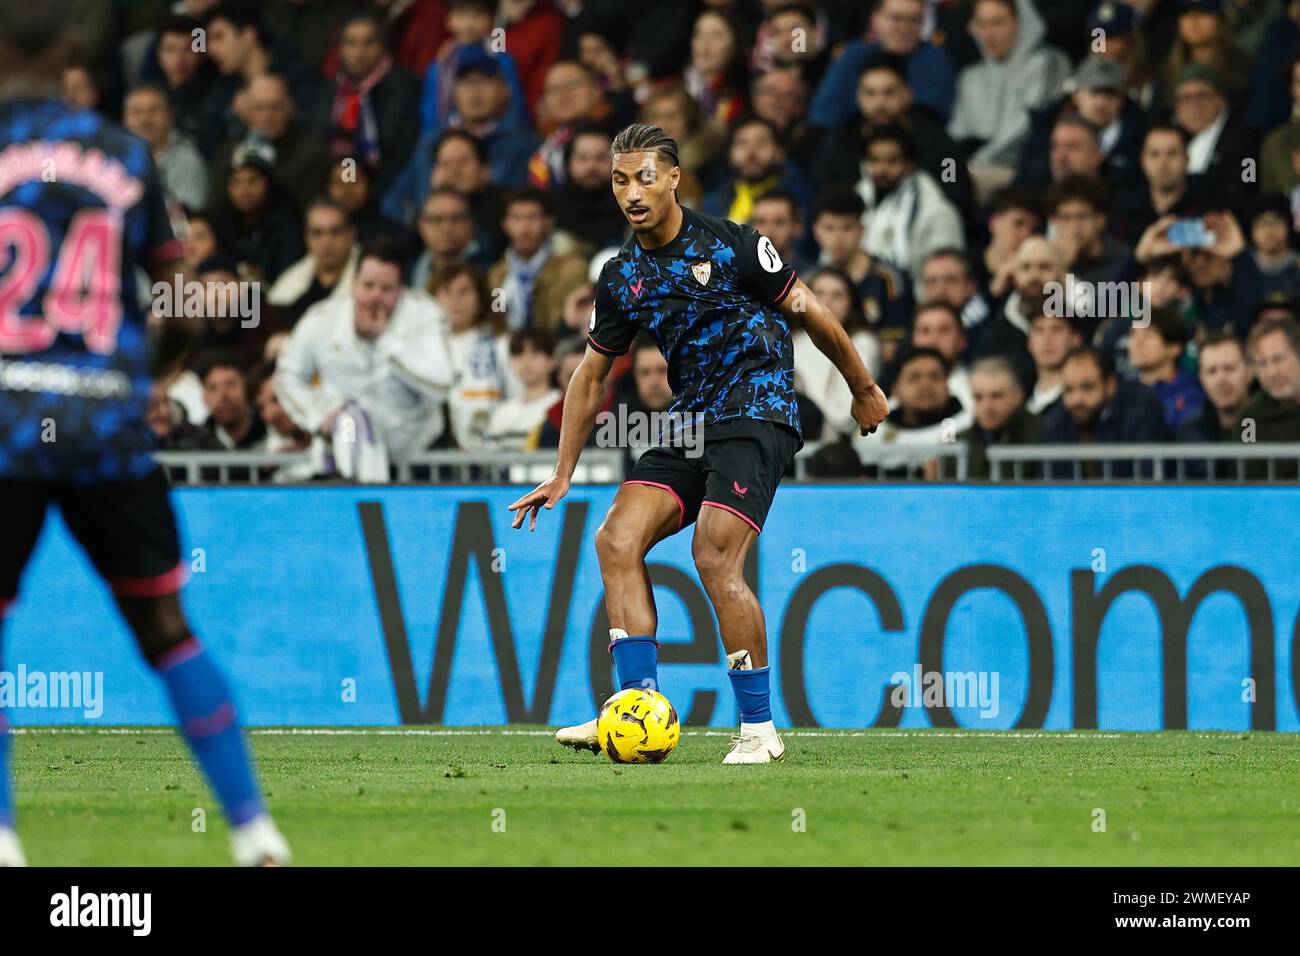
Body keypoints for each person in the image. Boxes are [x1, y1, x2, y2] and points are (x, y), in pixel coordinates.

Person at [0, 2, 288, 867]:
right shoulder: (126, 157)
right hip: (105, 426)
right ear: (77, 55)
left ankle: (6, 842)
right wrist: (142, 379)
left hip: (6, 423)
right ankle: (253, 832)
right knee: (167, 627)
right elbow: (181, 306)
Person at [507, 124, 888, 764]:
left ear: (675, 178)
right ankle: (635, 712)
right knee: (616, 538)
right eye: (620, 179)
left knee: (714, 555)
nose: (632, 192)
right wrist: (562, 471)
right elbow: (592, 374)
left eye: (645, 177)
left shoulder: (736, 244)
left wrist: (863, 387)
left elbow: (811, 310)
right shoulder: (623, 276)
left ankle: (760, 731)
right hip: (690, 422)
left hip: (758, 413)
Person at [274, 239, 454, 480]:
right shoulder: (321, 319)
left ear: (402, 289)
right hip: (347, 452)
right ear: (353, 283)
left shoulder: (425, 315)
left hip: (418, 456)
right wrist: (316, 418)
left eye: (386, 288)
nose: (375, 297)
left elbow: (441, 385)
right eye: (368, 285)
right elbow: (287, 376)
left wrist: (386, 342)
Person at [960, 355, 1043, 479]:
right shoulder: (959, 442)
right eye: (978, 397)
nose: (987, 406)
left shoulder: (1044, 435)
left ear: (1018, 394)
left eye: (996, 396)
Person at [1238, 316, 1300, 478]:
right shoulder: (1249, 420)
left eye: (1278, 360)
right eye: (1262, 363)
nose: (1271, 373)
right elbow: (1249, 477)